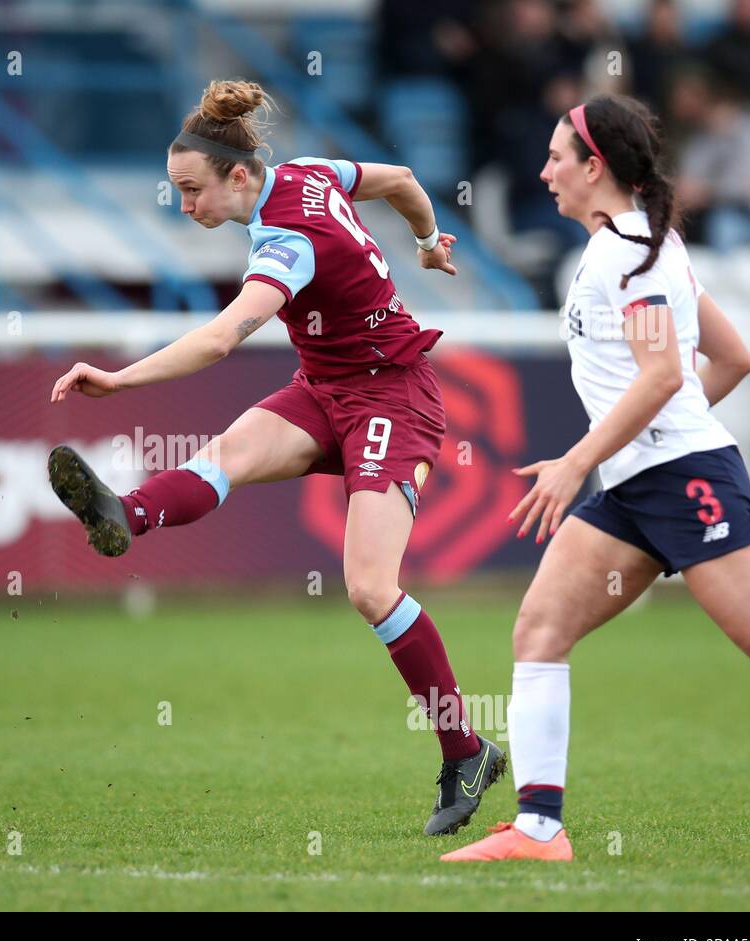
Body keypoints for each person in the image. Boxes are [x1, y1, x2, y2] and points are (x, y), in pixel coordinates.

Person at [45, 79, 504, 837]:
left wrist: (119, 378)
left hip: (392, 397)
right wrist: (425, 243)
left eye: (192, 190)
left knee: (368, 588)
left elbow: (222, 338)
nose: (185, 206)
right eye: (176, 192)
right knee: (227, 453)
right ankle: (121, 514)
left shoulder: (287, 239)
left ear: (238, 177)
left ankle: (467, 750)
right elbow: (403, 182)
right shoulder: (312, 172)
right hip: (325, 387)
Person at [443, 94, 750, 864]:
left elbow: (658, 378)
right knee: (539, 631)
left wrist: (588, 457)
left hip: (681, 481)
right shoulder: (643, 243)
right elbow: (731, 359)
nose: (544, 171)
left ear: (595, 166)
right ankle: (540, 831)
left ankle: (539, 830)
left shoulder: (628, 252)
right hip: (645, 480)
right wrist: (644, 442)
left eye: (556, 158)